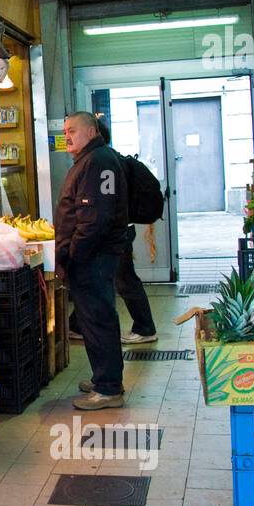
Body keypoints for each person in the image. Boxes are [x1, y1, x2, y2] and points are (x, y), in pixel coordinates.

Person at [56, 112, 130, 411]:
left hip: (93, 258)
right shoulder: (94, 160)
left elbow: (94, 218)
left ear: (90, 130)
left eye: (72, 130)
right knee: (96, 320)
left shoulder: (97, 161)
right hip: (94, 256)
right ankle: (105, 379)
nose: (67, 136)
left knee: (98, 320)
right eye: (65, 131)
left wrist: (73, 254)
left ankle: (109, 388)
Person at [68, 117, 157, 346]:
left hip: (115, 233)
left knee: (124, 280)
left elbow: (103, 207)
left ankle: (145, 327)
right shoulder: (108, 159)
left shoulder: (104, 162)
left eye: (73, 131)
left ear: (94, 134)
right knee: (105, 280)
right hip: (119, 231)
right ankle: (76, 325)